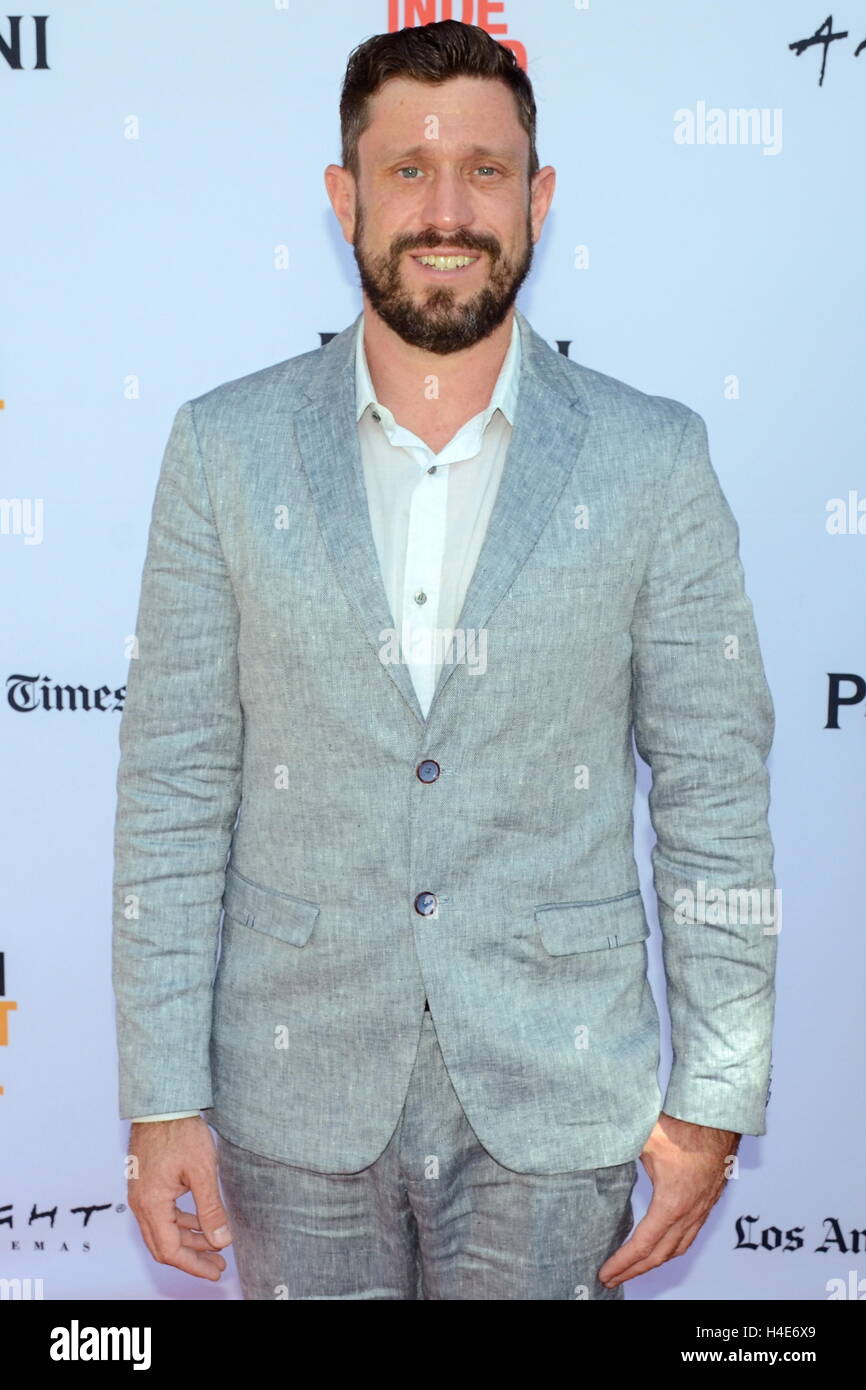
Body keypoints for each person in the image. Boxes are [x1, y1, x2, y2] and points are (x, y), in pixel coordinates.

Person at [112, 19, 777, 1301]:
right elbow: (175, 787)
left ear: (535, 197)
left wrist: (711, 1096)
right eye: (407, 170)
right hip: (288, 1095)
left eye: (482, 169)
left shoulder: (653, 459)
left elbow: (713, 799)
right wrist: (160, 1094)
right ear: (343, 195)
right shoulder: (221, 449)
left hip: (558, 1095)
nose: (446, 208)